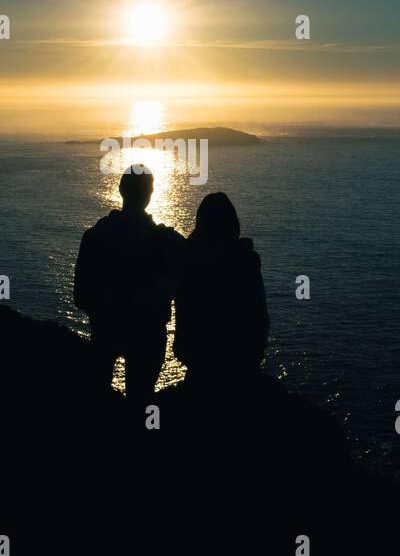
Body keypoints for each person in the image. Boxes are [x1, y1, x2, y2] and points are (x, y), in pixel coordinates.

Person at [74, 167, 185, 400]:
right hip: (148, 334)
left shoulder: (94, 237)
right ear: (151, 193)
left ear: (121, 190)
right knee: (141, 399)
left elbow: (81, 296)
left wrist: (108, 306)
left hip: (105, 330)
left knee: (97, 396)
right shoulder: (167, 241)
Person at [173, 192, 269, 388]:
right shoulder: (246, 263)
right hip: (242, 371)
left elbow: (184, 315)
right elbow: (259, 319)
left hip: (200, 370)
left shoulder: (190, 263)